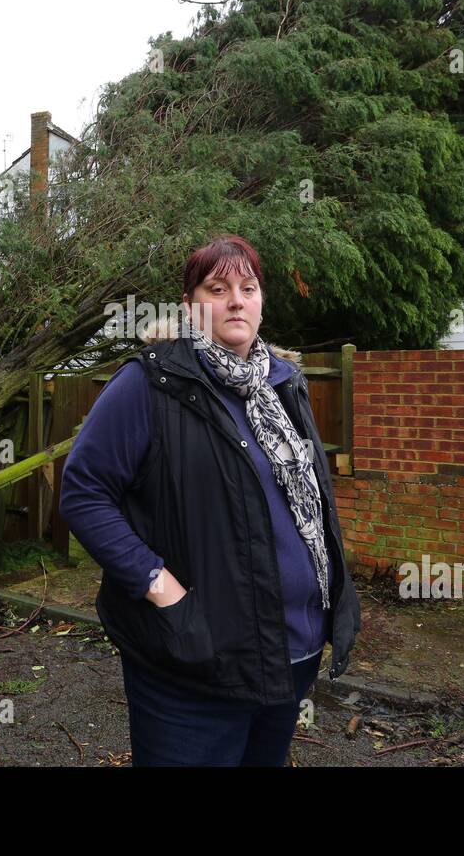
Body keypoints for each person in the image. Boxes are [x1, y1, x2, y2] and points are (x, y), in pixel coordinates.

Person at [59, 234, 362, 767]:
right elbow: (84, 492)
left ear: (262, 302)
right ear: (188, 306)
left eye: (248, 288)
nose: (236, 300)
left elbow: (311, 502)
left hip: (293, 653)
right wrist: (163, 590)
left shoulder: (285, 385)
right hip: (195, 660)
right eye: (217, 288)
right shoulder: (150, 384)